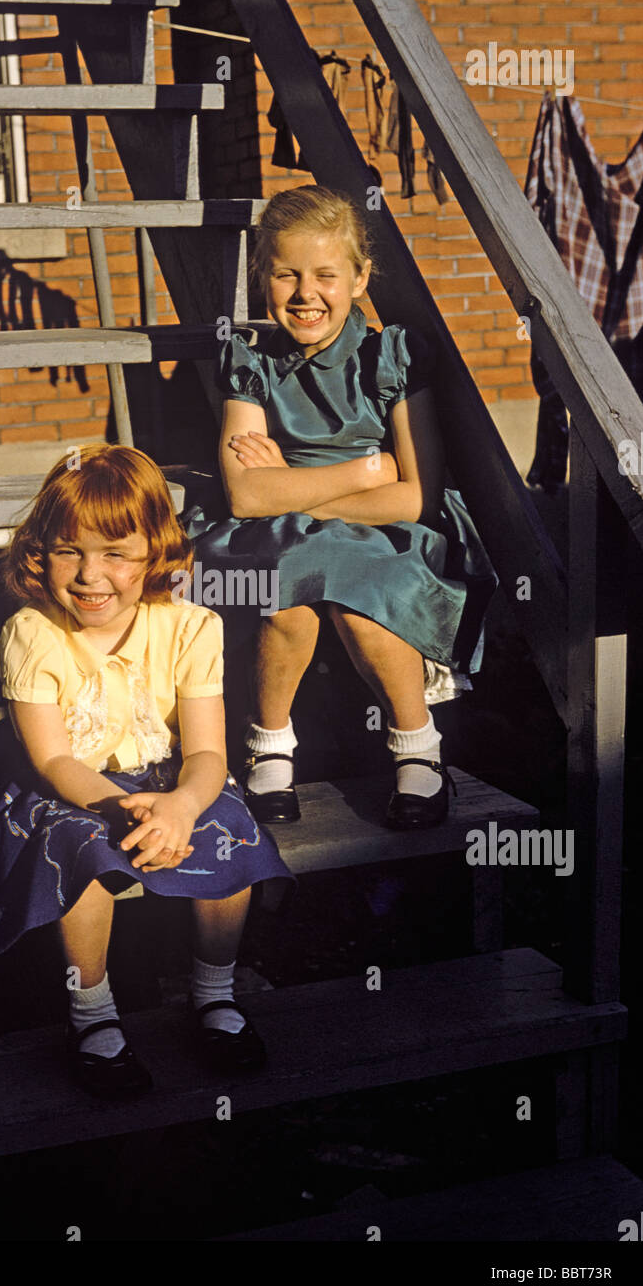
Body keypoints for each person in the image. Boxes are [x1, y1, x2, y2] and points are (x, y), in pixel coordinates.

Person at [0, 445, 294, 1100]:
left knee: (230, 828)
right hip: (66, 785)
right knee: (86, 853)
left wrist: (180, 806)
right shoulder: (34, 633)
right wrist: (125, 810)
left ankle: (214, 993)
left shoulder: (190, 627)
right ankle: (91, 1011)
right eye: (69, 550)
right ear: (40, 553)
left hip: (165, 779)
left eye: (115, 553)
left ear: (155, 553)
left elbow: (208, 753)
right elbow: (53, 758)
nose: (90, 575)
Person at [183, 185, 496, 830]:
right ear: (262, 277)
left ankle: (418, 747)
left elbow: (417, 497)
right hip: (275, 535)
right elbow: (245, 494)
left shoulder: (391, 356)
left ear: (358, 277)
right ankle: (269, 741)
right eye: (285, 274)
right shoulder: (252, 362)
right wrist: (363, 469)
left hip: (385, 535)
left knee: (357, 592)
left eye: (326, 275)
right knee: (288, 595)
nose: (306, 293)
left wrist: (295, 484)